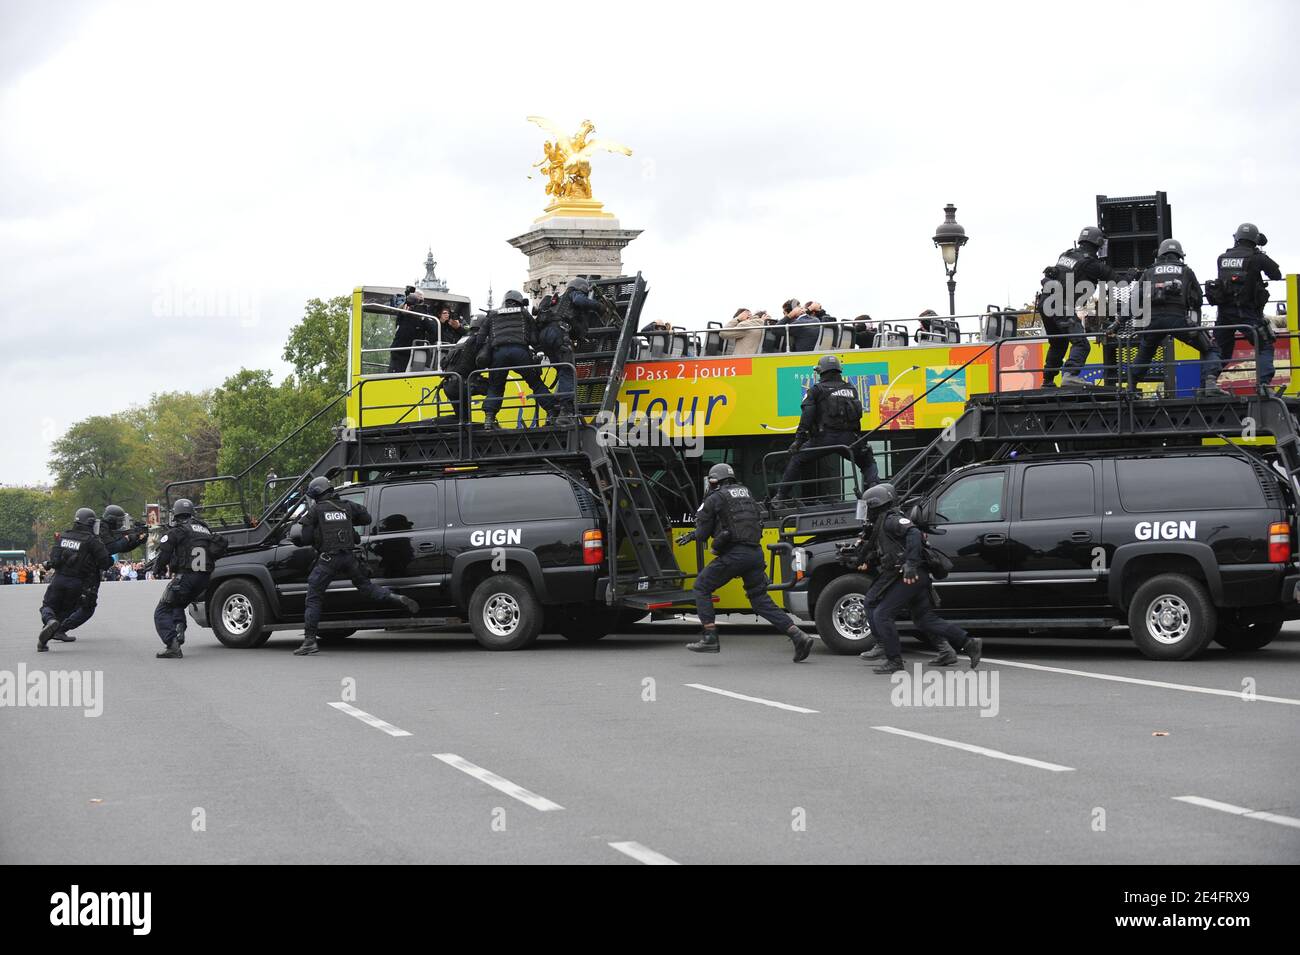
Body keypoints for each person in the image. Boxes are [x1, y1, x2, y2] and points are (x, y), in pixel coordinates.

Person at [677, 463, 815, 661]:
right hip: (754, 554)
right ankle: (798, 635)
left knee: (701, 586)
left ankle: (709, 637)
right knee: (759, 600)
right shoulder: (746, 494)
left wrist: (695, 534)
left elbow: (702, 534)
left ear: (715, 481)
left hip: (734, 555)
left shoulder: (715, 497)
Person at [853, 484, 981, 675]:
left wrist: (911, 564)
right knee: (924, 619)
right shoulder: (882, 522)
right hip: (911, 576)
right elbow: (891, 550)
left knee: (882, 614)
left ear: (877, 505)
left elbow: (913, 533)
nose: (866, 512)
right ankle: (968, 643)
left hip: (910, 576)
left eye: (868, 507)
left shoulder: (891, 519)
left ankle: (894, 660)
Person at [291, 477, 418, 656]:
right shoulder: (347, 505)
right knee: (367, 587)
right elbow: (366, 518)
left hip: (328, 560)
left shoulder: (315, 511)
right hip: (350, 558)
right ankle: (395, 597)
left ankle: (310, 641)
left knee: (313, 597)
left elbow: (305, 539)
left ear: (317, 494)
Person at [774, 355, 877, 502]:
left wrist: (798, 441)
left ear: (821, 372)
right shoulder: (851, 389)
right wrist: (857, 440)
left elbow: (807, 417)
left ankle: (780, 498)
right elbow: (856, 418)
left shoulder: (816, 390)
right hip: (848, 439)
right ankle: (875, 491)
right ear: (838, 371)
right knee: (867, 461)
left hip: (823, 439)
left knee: (797, 459)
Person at [1130, 240, 1226, 397]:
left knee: (1145, 353)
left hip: (1153, 322)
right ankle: (1209, 383)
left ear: (1160, 254)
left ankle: (1131, 388)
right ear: (1180, 255)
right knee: (1211, 348)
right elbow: (1198, 300)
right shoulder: (1186, 271)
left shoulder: (1149, 272)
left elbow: (1135, 299)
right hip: (1178, 320)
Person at [53, 504, 149, 642]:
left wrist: (137, 540)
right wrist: (128, 538)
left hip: (87, 570)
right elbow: (110, 547)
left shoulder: (104, 528)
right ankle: (59, 628)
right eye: (119, 520)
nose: (121, 524)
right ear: (112, 519)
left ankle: (54, 625)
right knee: (87, 606)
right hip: (89, 571)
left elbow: (121, 547)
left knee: (76, 602)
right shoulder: (101, 530)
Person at [1211, 223, 1283, 390]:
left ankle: (1209, 382)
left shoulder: (1222, 257)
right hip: (1247, 313)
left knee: (1221, 351)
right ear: (1255, 240)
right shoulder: (1256, 257)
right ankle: (1263, 385)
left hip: (1224, 315)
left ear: (1237, 238)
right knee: (1265, 345)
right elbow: (1276, 274)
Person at [1040, 226, 1113, 387]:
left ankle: (1047, 381)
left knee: (1058, 344)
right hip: (1060, 305)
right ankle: (1070, 375)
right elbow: (1114, 278)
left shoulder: (1066, 254)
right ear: (1098, 243)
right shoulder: (1090, 263)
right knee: (1081, 343)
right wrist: (1131, 275)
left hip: (1045, 303)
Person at [152, 499, 221, 659]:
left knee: (162, 610)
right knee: (178, 604)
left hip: (186, 576)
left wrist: (158, 569)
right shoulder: (204, 529)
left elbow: (165, 552)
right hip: (204, 579)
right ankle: (179, 630)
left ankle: (172, 645)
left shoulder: (178, 530)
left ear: (175, 514)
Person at [478, 290, 559, 428]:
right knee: (535, 383)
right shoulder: (523, 313)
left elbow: (480, 337)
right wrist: (539, 352)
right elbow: (534, 338)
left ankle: (489, 419)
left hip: (499, 354)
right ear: (519, 301)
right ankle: (551, 412)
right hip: (520, 352)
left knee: (495, 387)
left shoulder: (492, 314)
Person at [37, 508, 112, 652]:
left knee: (47, 606)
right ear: (89, 523)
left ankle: (49, 622)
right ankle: (50, 633)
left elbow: (54, 560)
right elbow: (105, 562)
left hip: (58, 579)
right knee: (66, 611)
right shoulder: (92, 540)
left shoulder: (63, 536)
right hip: (77, 583)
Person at [537, 278, 602, 417]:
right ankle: (565, 410)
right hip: (558, 333)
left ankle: (553, 409)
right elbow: (580, 301)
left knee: (561, 369)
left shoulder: (556, 301)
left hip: (544, 337)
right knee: (567, 370)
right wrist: (599, 306)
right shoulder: (573, 294)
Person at [388, 287, 436, 373]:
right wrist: (405, 311)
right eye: (415, 299)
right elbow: (398, 313)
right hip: (400, 350)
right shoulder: (404, 309)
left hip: (416, 352)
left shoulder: (424, 313)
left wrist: (422, 317)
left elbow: (433, 330)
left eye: (420, 300)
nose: (417, 303)